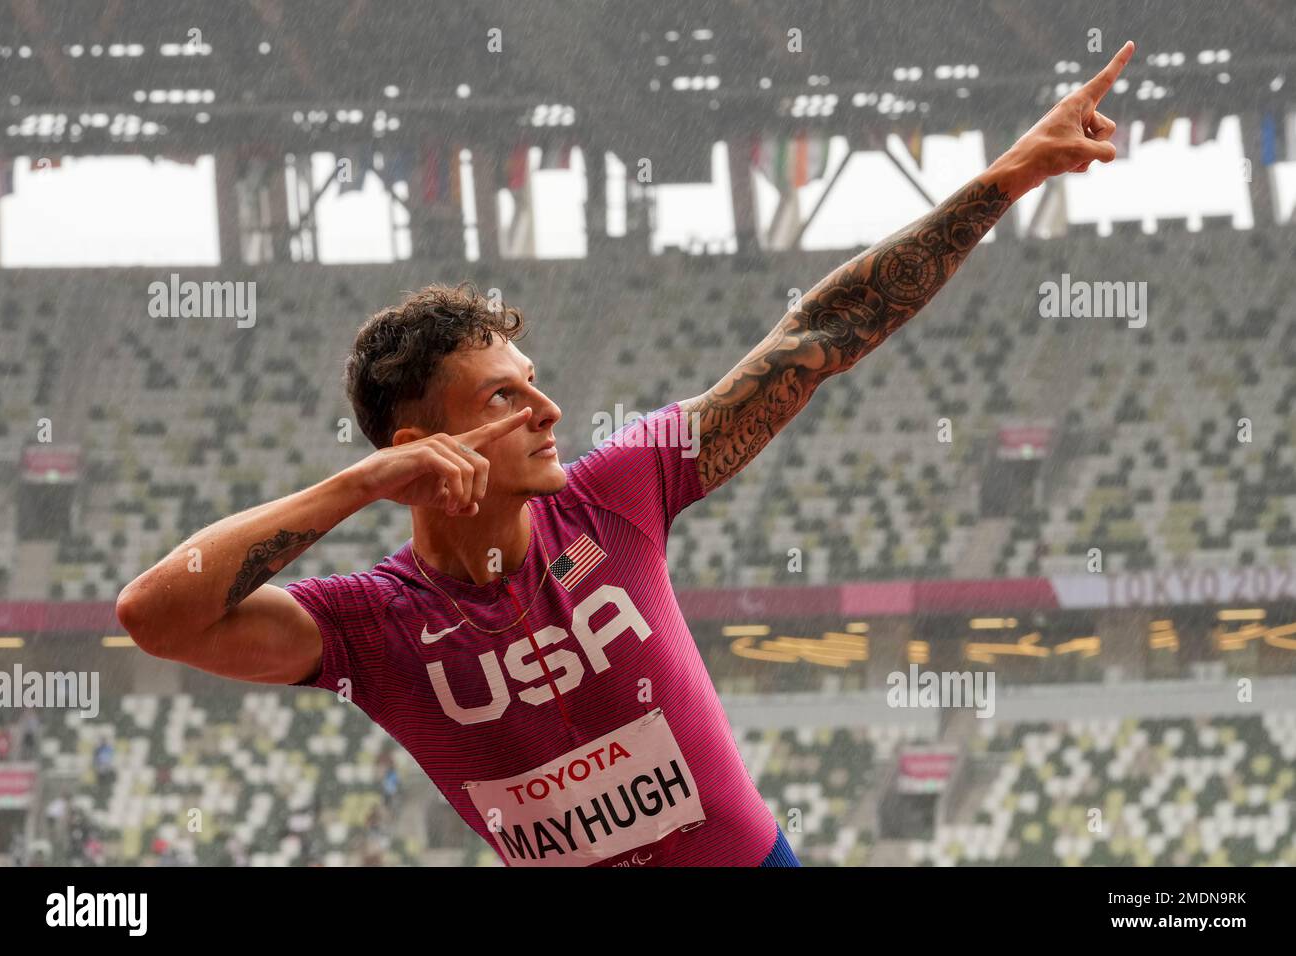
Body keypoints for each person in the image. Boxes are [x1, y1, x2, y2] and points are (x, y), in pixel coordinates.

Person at [116, 41, 1135, 867]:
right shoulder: (371, 626)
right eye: (507, 396)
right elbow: (155, 616)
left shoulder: (620, 490)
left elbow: (820, 333)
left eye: (537, 378)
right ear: (422, 446)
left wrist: (1010, 174)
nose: (550, 407)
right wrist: (358, 482)